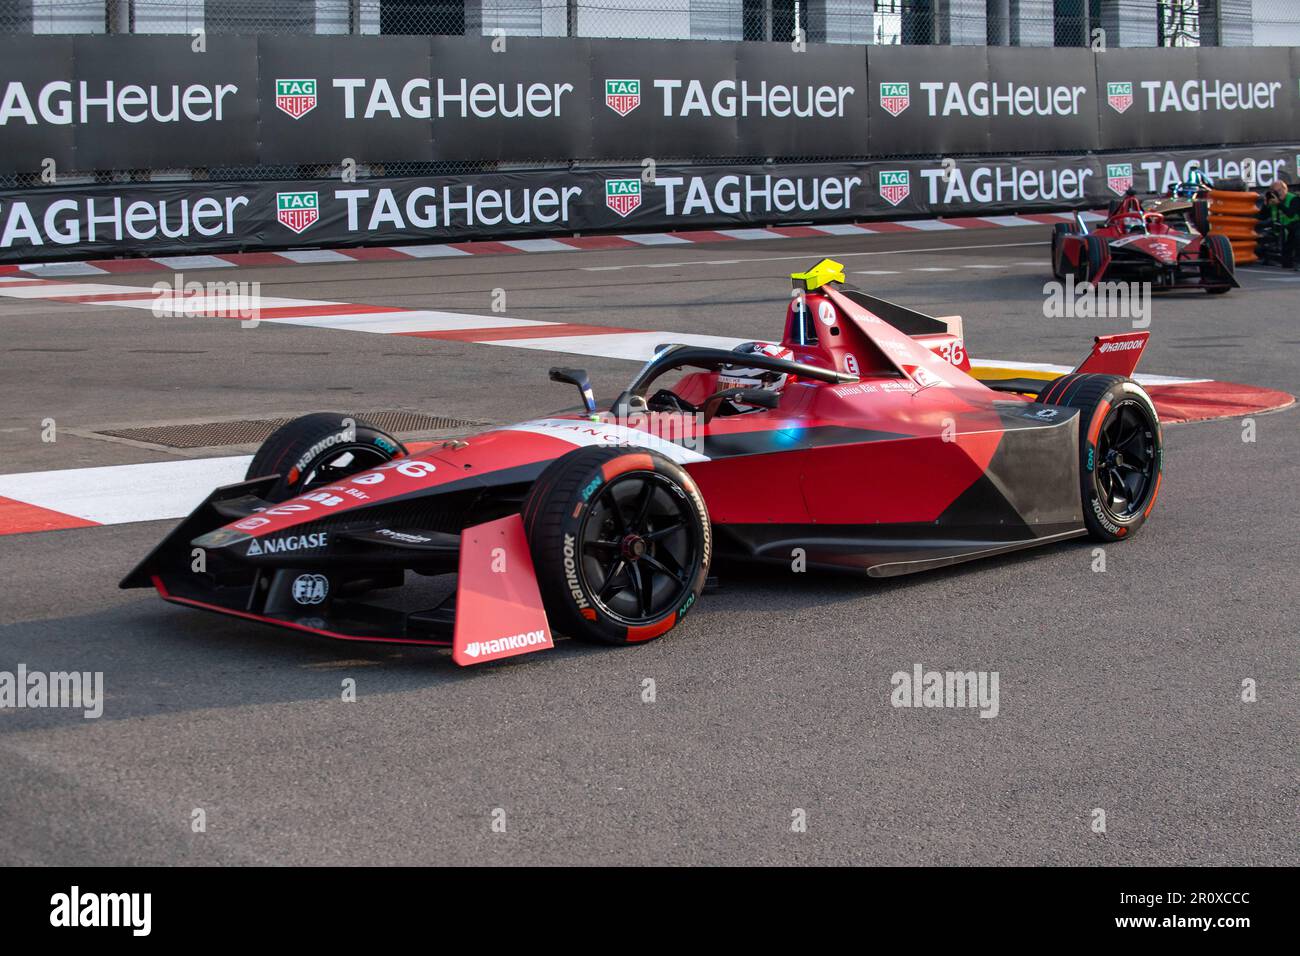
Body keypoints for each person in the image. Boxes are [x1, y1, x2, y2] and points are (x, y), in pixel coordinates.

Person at [1264, 179, 1300, 269]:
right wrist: (1265, 205)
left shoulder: (1294, 199)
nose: (1278, 194)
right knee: (1285, 260)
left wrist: (1279, 204)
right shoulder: (1273, 202)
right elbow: (1262, 216)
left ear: (1285, 189)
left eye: (1279, 191)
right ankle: (1287, 264)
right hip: (1284, 229)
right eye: (1275, 192)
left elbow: (1290, 214)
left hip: (1296, 227)